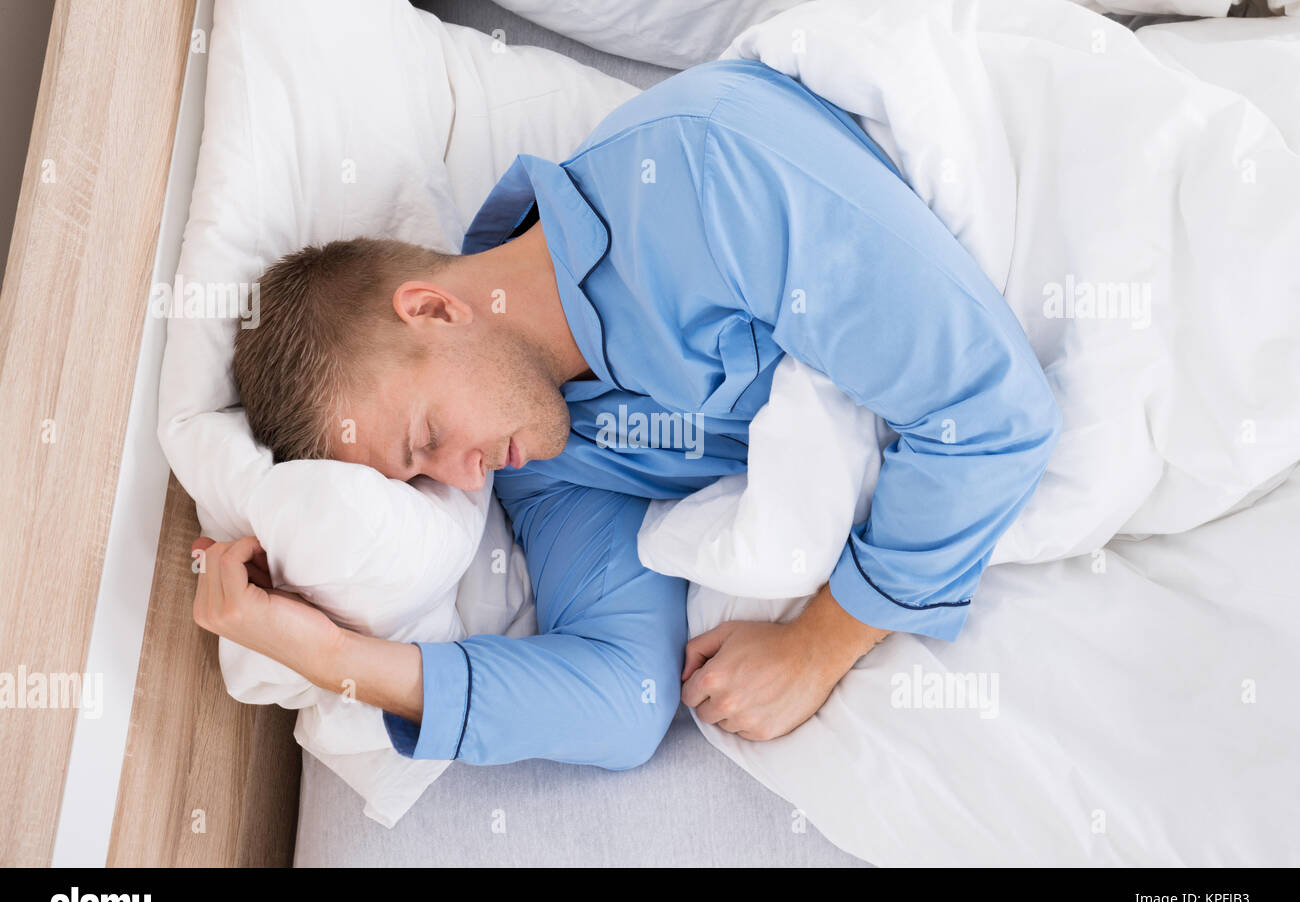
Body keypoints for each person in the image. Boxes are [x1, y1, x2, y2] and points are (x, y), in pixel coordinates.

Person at [193, 59, 1061, 769]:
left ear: (432, 310)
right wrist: (338, 663)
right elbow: (625, 694)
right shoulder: (545, 458)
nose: (464, 475)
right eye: (421, 477)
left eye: (426, 439)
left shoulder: (700, 174)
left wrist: (822, 644)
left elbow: (992, 409)